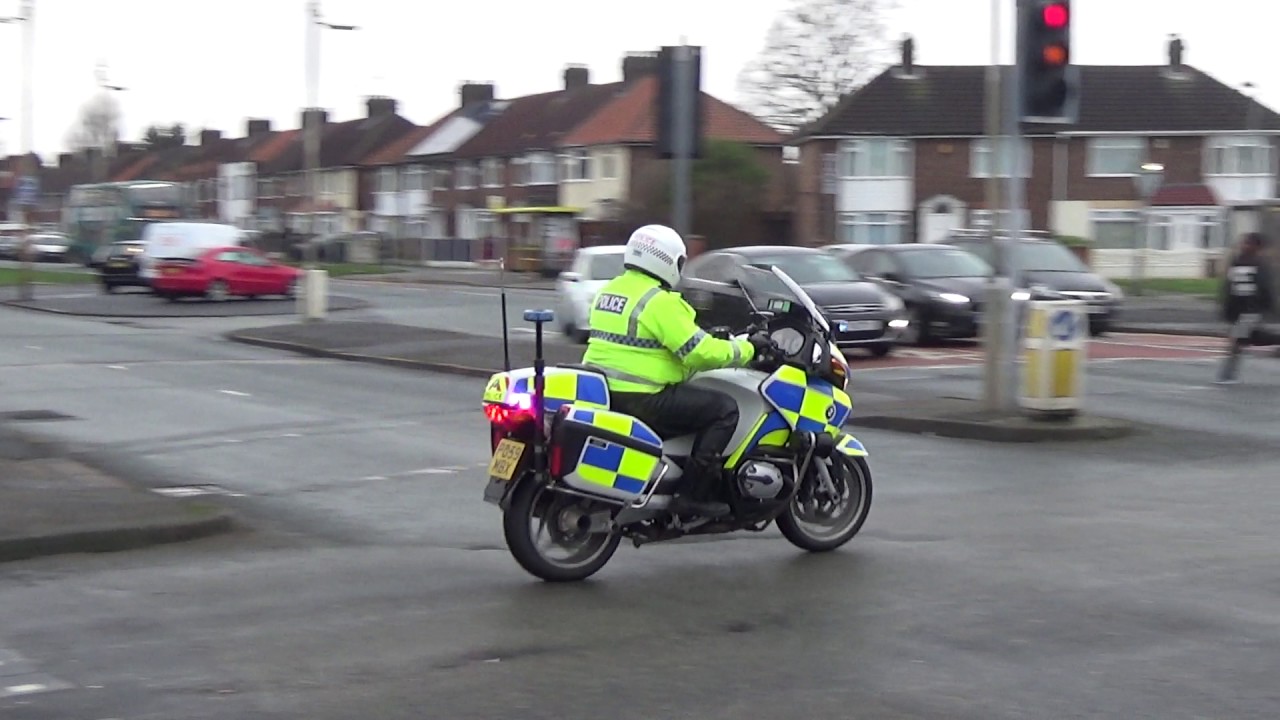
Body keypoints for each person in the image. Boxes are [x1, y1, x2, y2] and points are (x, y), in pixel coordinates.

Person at [581, 224, 774, 517]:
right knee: (724, 409)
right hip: (645, 397)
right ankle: (693, 495)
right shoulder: (659, 301)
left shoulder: (610, 291)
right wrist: (748, 350)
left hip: (607, 390)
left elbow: (647, 344)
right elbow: (700, 353)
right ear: (665, 260)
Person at [1216, 232, 1275, 384]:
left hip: (1250, 309)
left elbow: (1265, 288)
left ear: (1256, 246)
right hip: (1237, 309)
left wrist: (1268, 307)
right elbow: (1229, 286)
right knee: (1253, 337)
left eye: (1247, 243)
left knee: (1236, 341)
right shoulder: (1236, 262)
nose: (1243, 245)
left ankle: (1226, 376)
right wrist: (1226, 307)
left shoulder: (1259, 264)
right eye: (1243, 243)